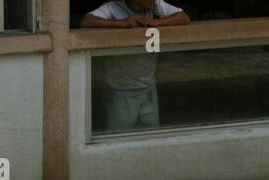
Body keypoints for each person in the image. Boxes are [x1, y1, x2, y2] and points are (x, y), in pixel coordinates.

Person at [80, 0, 190, 131]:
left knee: (151, 137)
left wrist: (156, 22)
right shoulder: (113, 7)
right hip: (121, 92)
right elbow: (87, 21)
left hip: (148, 88)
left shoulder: (155, 5)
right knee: (119, 138)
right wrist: (121, 24)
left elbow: (183, 17)